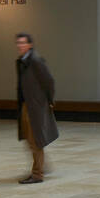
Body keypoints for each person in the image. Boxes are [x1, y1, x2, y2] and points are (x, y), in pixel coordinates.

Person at [15, 33, 58, 184]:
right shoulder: (22, 61)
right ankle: (41, 166)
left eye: (22, 43)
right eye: (18, 43)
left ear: (30, 45)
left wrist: (50, 100)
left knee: (35, 140)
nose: (19, 45)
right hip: (27, 105)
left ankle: (37, 174)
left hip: (36, 107)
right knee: (29, 138)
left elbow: (49, 81)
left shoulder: (35, 60)